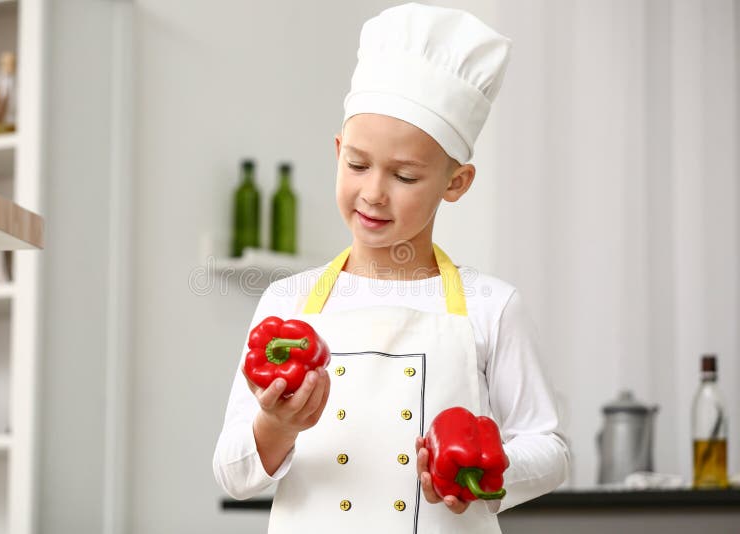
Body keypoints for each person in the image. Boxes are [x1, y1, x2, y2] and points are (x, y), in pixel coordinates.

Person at [213, 3, 569, 533]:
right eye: (357, 165)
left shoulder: (492, 306)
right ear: (338, 152)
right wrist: (276, 426)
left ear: (456, 183)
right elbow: (233, 474)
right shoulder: (288, 305)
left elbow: (551, 449)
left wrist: (484, 469)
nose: (373, 194)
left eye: (404, 176)